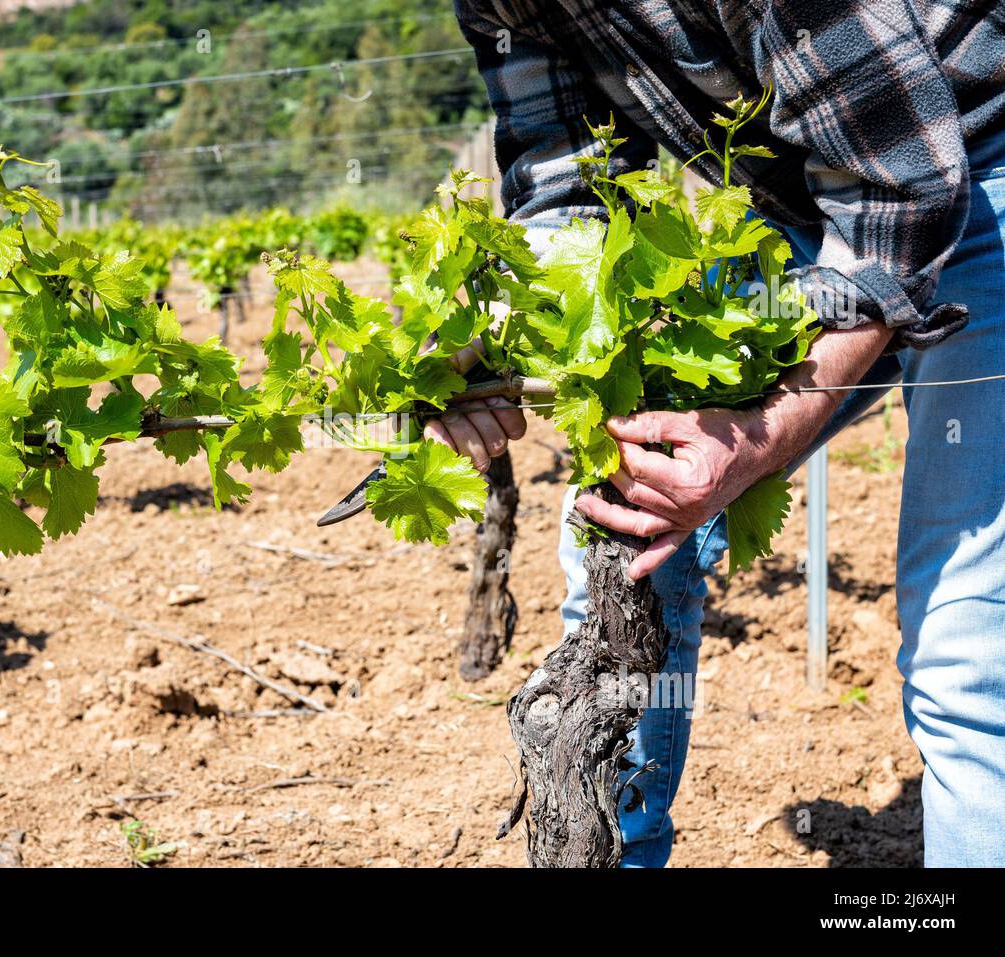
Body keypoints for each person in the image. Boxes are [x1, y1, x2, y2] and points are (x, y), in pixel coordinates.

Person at [427, 0, 1005, 866]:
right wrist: (488, 332)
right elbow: (564, 180)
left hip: (976, 161)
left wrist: (757, 437)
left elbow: (903, 184)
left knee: (968, 644)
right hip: (809, 191)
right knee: (622, 532)